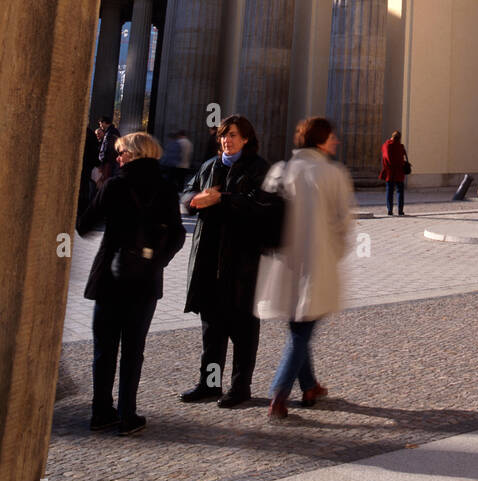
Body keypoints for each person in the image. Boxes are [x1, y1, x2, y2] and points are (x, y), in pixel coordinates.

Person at [76, 131, 185, 436]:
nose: (118, 158)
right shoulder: (165, 188)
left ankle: (101, 413)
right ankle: (127, 415)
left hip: (111, 278)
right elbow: (177, 235)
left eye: (122, 153)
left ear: (135, 154)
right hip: (145, 281)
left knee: (104, 349)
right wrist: (156, 261)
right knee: (133, 350)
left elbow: (83, 226)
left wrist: (99, 193)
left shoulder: (114, 185)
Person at [256, 116, 355, 421]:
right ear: (322, 140)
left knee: (299, 326)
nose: (335, 141)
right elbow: (343, 222)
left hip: (284, 264)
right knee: (302, 331)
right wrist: (333, 253)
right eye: (331, 137)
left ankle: (310, 386)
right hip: (316, 264)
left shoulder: (280, 169)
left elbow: (264, 214)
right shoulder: (332, 172)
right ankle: (278, 393)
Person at [179, 115, 270, 408]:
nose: (226, 140)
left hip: (242, 263)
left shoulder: (258, 168)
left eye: (232, 135)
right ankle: (210, 384)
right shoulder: (209, 166)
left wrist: (222, 200)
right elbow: (186, 193)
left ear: (245, 138)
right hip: (208, 260)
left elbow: (262, 206)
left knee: (243, 329)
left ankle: (241, 387)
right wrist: (193, 199)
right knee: (212, 329)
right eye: (222, 135)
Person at [379, 129, 408, 216]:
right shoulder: (400, 146)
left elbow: (385, 155)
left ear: (392, 137)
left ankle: (390, 210)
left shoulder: (386, 145)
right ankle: (400, 210)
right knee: (400, 192)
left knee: (389, 191)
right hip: (399, 172)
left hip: (390, 172)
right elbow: (402, 158)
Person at [93, 116, 120, 187]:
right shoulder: (111, 132)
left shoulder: (110, 133)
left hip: (108, 162)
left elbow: (108, 149)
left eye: (100, 124)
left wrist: (103, 161)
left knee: (105, 182)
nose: (100, 126)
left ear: (104, 122)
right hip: (108, 161)